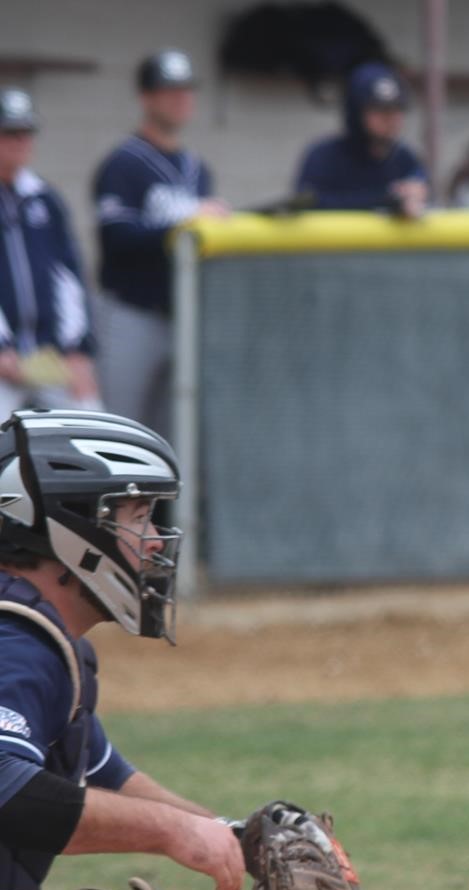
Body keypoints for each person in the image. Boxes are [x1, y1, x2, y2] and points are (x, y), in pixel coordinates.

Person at [0, 409, 246, 890]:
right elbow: (7, 790)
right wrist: (174, 832)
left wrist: (230, 836)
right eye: (139, 518)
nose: (154, 541)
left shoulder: (48, 643)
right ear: (73, 528)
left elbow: (103, 775)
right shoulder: (15, 641)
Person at [91, 49, 227, 441]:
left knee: (173, 442)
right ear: (146, 97)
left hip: (183, 316)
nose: (181, 99)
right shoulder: (123, 164)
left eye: (186, 90)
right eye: (169, 90)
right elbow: (116, 238)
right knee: (118, 435)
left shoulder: (198, 169)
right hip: (132, 315)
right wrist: (184, 224)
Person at [0, 89, 98, 417]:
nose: (20, 140)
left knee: (92, 421)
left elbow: (69, 278)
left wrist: (76, 350)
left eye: (26, 132)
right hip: (3, 362)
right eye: (9, 132)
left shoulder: (45, 199)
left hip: (47, 358)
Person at [293, 62, 427, 217]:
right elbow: (308, 204)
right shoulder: (323, 158)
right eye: (380, 110)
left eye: (397, 108)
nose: (391, 119)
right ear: (356, 112)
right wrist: (384, 200)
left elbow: (428, 200)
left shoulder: (405, 159)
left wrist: (416, 197)